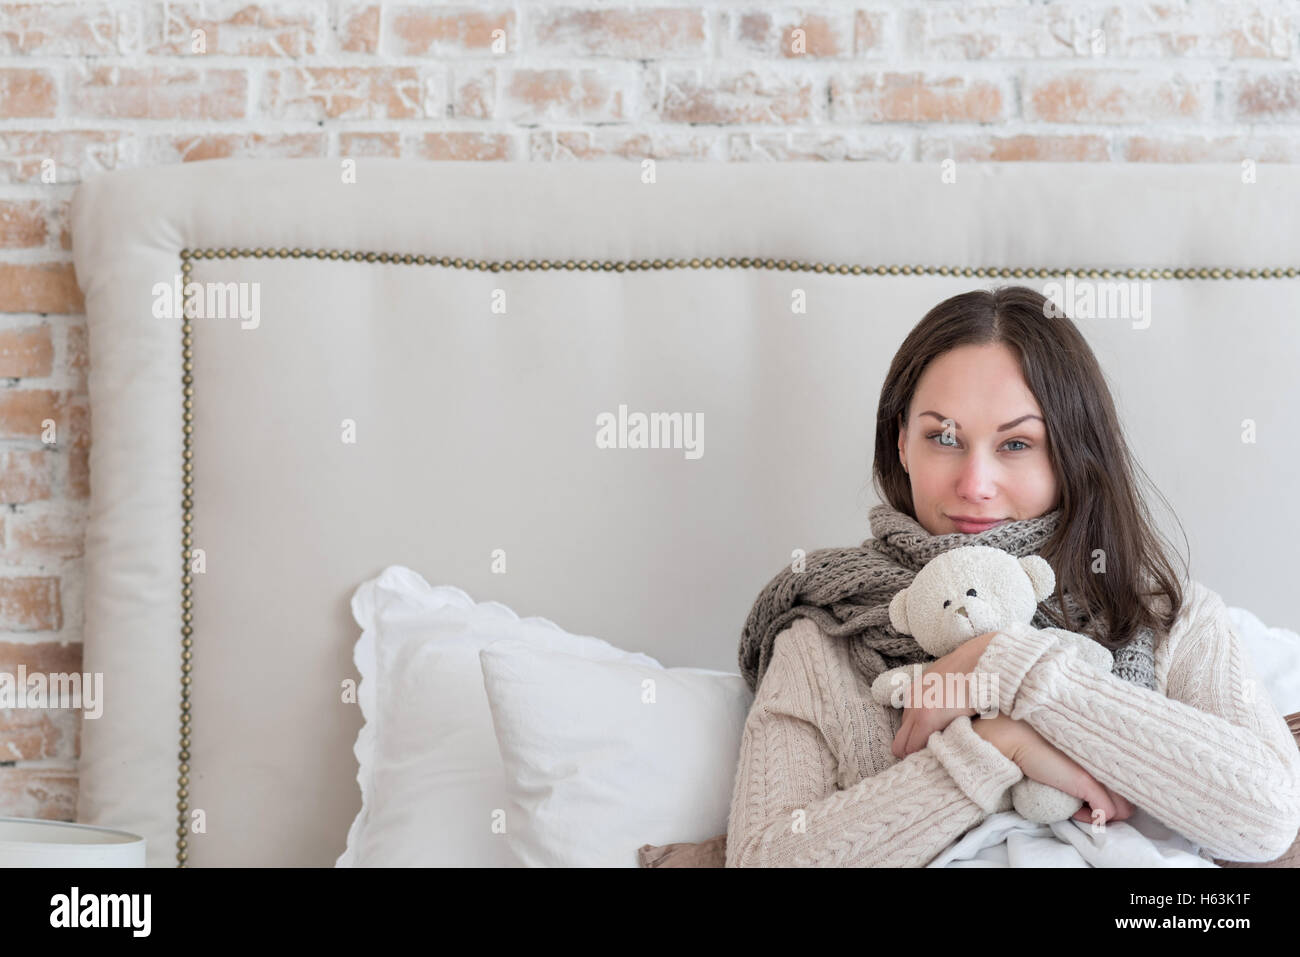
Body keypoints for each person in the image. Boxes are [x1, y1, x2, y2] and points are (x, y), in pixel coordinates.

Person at [726, 285, 1300, 867]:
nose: (975, 484)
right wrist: (995, 748)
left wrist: (1008, 665)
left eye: (1017, 443)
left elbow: (1267, 820)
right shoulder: (826, 633)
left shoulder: (1166, 616)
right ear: (901, 442)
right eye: (943, 438)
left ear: (1072, 454)